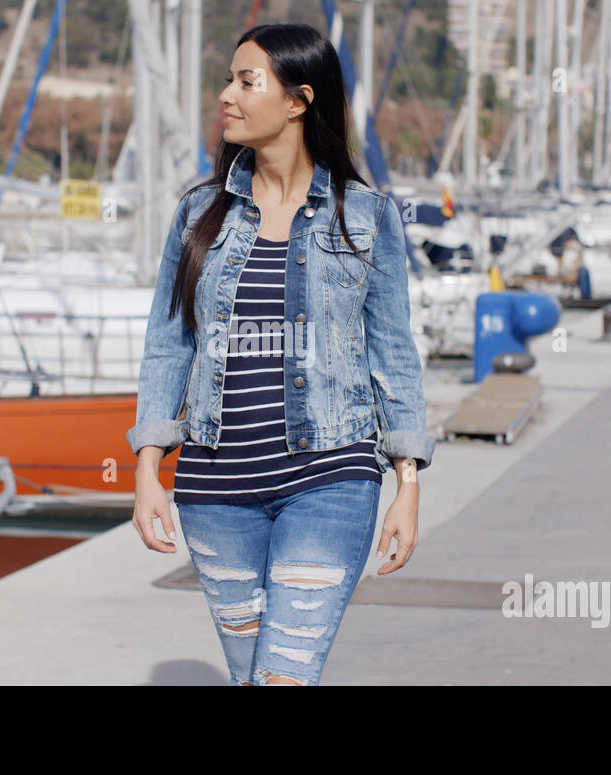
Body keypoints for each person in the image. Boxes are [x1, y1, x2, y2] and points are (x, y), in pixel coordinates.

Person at [126, 23, 433, 686]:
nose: (225, 95)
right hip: (215, 490)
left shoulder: (365, 216)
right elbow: (169, 342)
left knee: (283, 678)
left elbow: (393, 352)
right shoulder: (198, 214)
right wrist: (149, 465)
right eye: (229, 79)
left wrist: (407, 484)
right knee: (251, 675)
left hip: (330, 478)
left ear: (298, 100)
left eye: (246, 81)